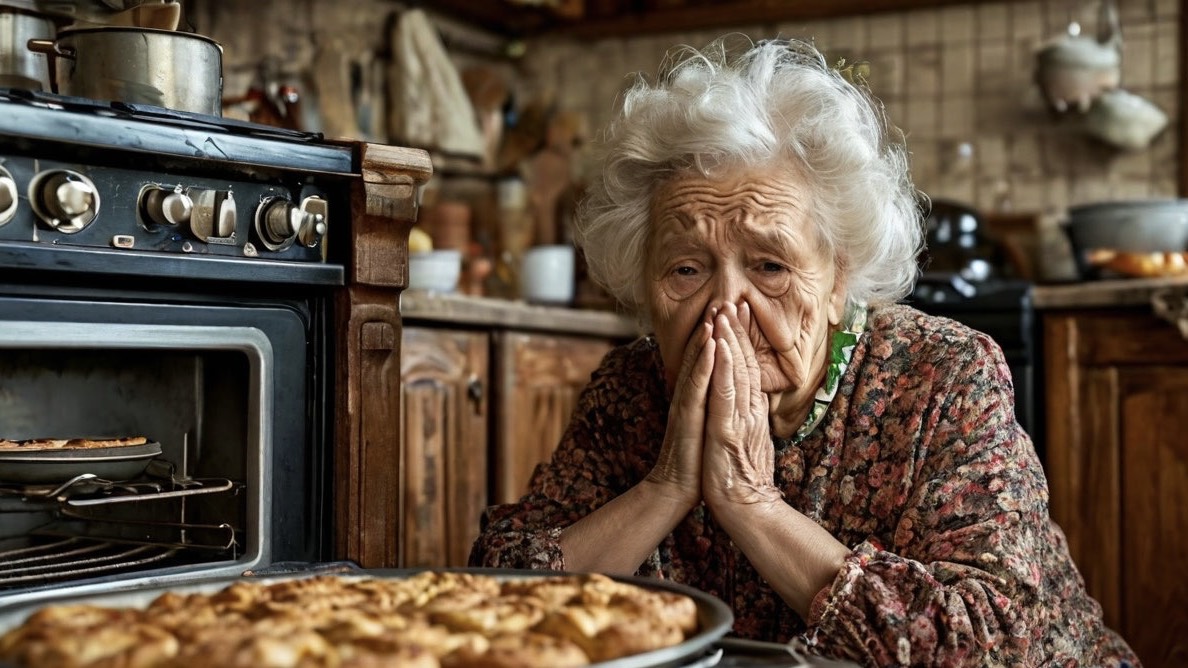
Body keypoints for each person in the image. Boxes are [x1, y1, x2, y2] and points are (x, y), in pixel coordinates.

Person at [468, 35, 1140, 667]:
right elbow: (491, 594)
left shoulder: (942, 379)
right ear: (645, 286)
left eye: (769, 266)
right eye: (686, 270)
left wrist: (750, 502)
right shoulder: (631, 389)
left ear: (838, 280)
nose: (725, 308)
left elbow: (989, 642)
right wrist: (666, 487)